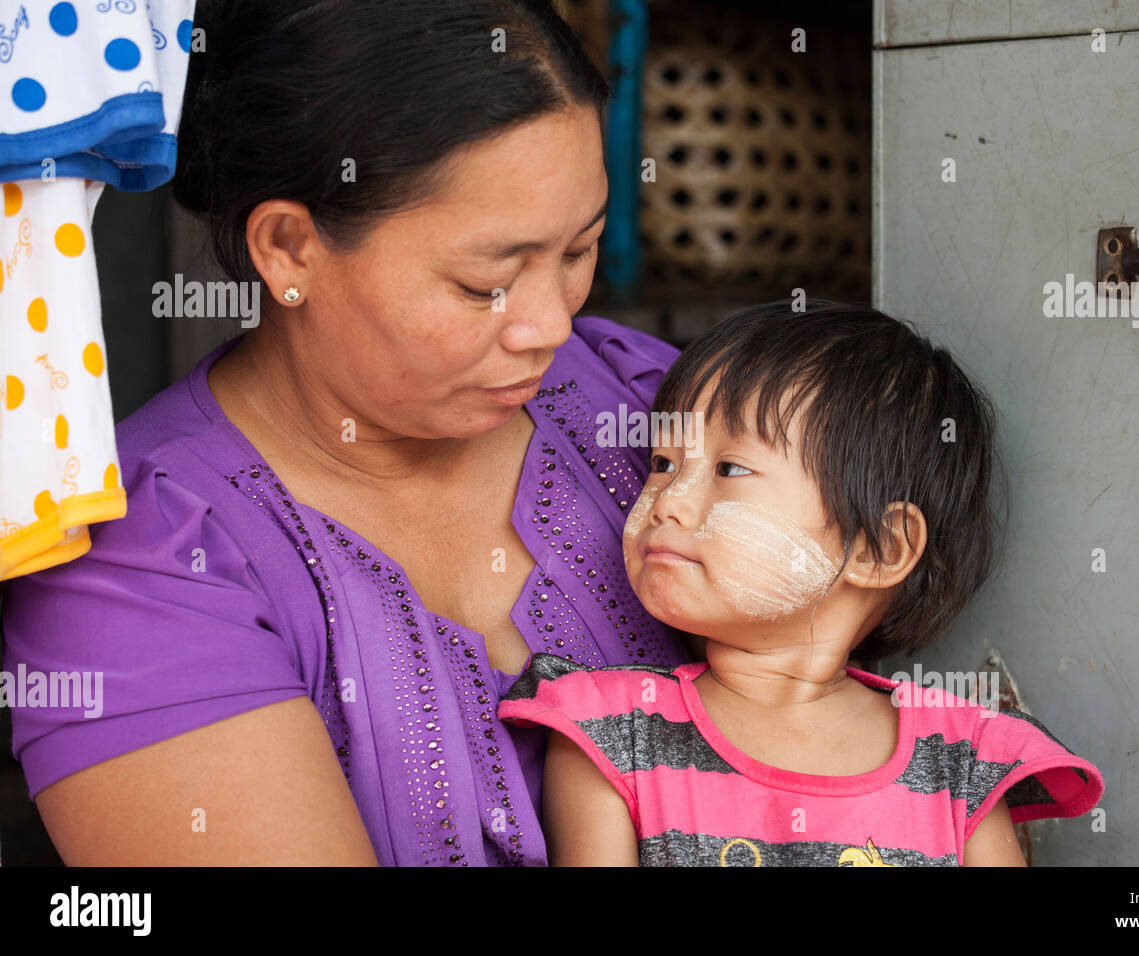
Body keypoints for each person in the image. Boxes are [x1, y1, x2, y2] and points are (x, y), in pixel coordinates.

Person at [1, 0, 688, 865]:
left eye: (578, 251)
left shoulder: (649, 407)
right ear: (289, 248)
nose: (550, 324)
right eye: (487, 284)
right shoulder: (143, 564)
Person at [500, 300, 1106, 866]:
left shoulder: (965, 762)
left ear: (877, 548)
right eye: (663, 464)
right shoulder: (607, 729)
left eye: (730, 469)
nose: (667, 503)